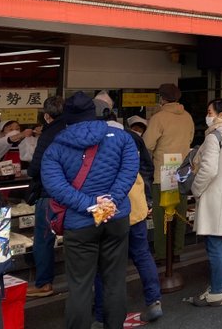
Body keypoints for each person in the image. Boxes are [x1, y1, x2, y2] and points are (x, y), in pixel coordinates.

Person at [41, 92, 139, 329]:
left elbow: (55, 186)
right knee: (115, 281)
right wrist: (110, 200)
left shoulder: (57, 145)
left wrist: (88, 204)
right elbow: (130, 171)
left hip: (79, 223)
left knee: (80, 285)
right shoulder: (122, 138)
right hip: (115, 218)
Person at [93, 105, 161, 325]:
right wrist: (147, 198)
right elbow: (147, 168)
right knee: (142, 254)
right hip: (136, 205)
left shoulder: (94, 139)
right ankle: (154, 301)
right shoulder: (132, 137)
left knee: (106, 262)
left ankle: (104, 312)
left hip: (108, 209)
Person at [186, 99, 222, 307]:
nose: (207, 114)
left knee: (214, 245)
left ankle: (217, 291)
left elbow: (208, 169)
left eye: (210, 111)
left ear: (220, 115)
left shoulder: (213, 138)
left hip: (213, 197)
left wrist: (196, 189)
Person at [143, 83, 195, 262]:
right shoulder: (187, 117)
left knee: (162, 216)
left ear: (162, 98)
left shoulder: (159, 118)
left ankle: (162, 254)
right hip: (181, 172)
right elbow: (190, 139)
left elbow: (147, 144)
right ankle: (177, 251)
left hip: (163, 173)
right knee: (179, 212)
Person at [26, 96, 66, 298]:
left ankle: (43, 283)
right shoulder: (72, 129)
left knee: (43, 238)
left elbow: (36, 166)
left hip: (48, 193)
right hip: (70, 192)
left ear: (47, 115)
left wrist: (30, 173)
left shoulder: (49, 133)